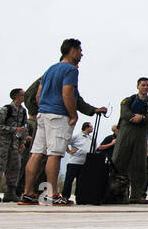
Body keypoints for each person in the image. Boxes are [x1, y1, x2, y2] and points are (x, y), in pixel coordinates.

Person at [20, 39, 106, 205]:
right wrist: (73, 115)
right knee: (55, 154)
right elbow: (67, 93)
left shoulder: (50, 69)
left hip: (43, 115)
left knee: (37, 153)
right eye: (80, 50)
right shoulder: (71, 70)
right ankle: (53, 195)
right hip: (58, 116)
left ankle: (28, 193)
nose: (82, 54)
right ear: (72, 50)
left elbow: (38, 95)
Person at [109, 77, 148, 204]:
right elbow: (124, 113)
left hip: (141, 134)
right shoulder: (128, 100)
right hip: (126, 132)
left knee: (139, 164)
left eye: (147, 85)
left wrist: (142, 117)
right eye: (143, 85)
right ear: (138, 86)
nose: (145, 87)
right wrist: (134, 117)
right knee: (119, 161)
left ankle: (137, 195)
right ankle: (115, 193)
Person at [0, 89, 29, 203]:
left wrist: (23, 142)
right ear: (15, 96)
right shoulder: (5, 109)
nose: (24, 97)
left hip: (15, 144)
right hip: (1, 143)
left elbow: (24, 129)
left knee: (15, 167)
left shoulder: (23, 111)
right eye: (22, 95)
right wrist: (13, 129)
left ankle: (10, 193)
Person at [63, 121, 94, 200]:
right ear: (86, 127)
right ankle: (65, 196)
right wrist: (69, 151)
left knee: (81, 181)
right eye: (91, 127)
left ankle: (79, 197)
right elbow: (66, 142)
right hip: (74, 162)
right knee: (69, 180)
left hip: (84, 162)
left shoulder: (91, 138)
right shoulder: (77, 136)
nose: (92, 128)